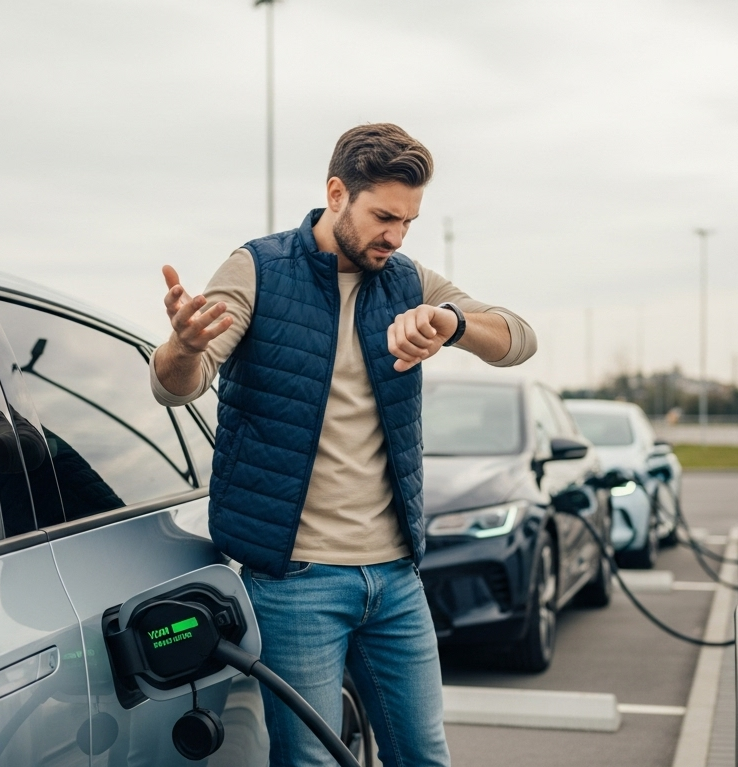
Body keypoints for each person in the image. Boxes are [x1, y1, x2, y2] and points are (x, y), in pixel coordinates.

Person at [150, 123, 537, 767]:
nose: (395, 235)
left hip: (396, 578)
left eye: (408, 221)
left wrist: (453, 324)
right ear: (337, 193)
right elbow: (177, 385)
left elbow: (519, 339)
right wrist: (182, 347)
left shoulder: (408, 281)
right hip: (295, 579)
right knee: (311, 762)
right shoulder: (257, 269)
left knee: (426, 757)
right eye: (384, 216)